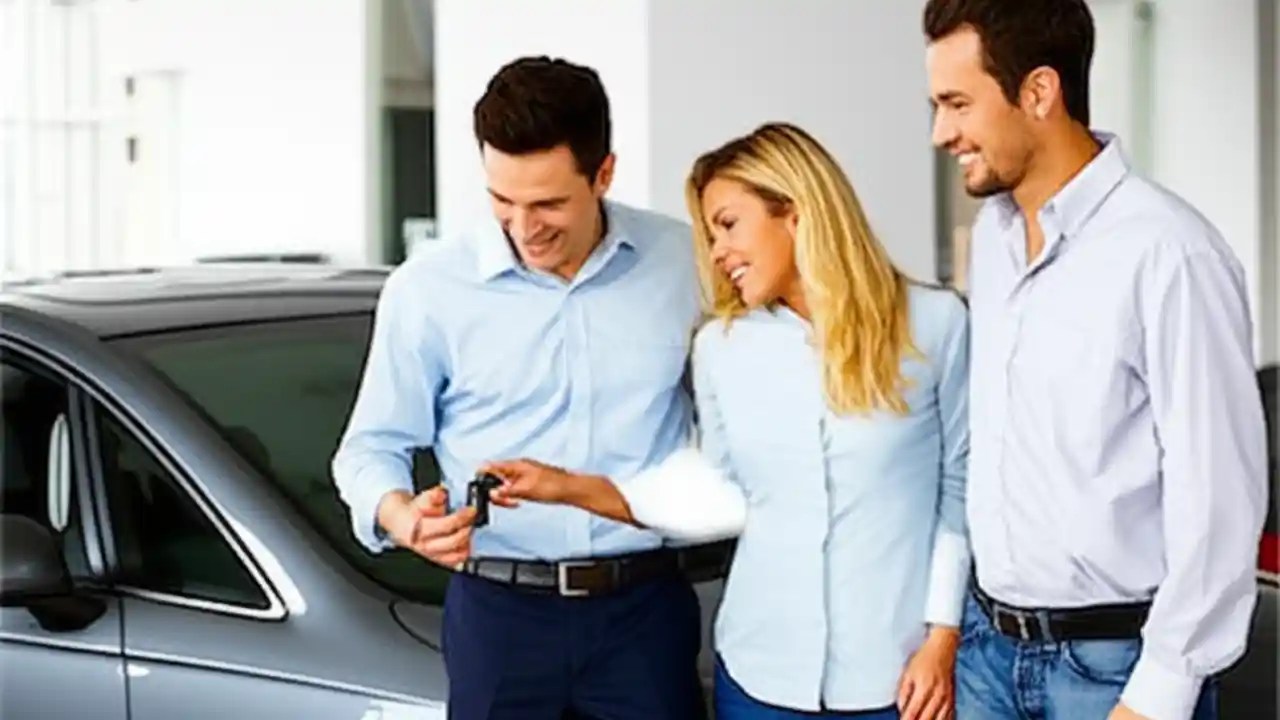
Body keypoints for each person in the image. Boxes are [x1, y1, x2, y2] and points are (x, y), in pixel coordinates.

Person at [484, 122, 972, 720]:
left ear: (794, 211)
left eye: (728, 225)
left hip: (900, 682)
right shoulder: (721, 346)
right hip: (760, 675)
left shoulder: (938, 324)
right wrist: (568, 488)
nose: (717, 253)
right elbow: (717, 493)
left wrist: (942, 637)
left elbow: (960, 492)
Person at [330, 56, 725, 720]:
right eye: (502, 200)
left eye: (548, 203)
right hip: (499, 619)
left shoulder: (688, 265)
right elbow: (368, 450)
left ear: (604, 173)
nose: (523, 226)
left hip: (644, 616)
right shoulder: (427, 290)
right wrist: (403, 519)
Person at [922, 2, 1271, 719]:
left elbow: (1221, 499)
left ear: (1040, 92)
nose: (940, 133)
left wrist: (1158, 694)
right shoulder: (991, 240)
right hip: (991, 651)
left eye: (958, 103)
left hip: (1114, 671)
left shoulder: (1171, 253)